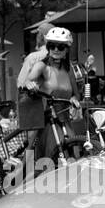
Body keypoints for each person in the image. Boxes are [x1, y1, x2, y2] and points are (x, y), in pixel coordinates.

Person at [18, 25, 80, 162]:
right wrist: (29, 83)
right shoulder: (42, 66)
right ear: (48, 47)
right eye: (52, 46)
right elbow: (29, 79)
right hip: (45, 121)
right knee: (33, 162)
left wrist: (75, 100)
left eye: (61, 47)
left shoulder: (69, 69)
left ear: (67, 49)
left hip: (65, 121)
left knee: (72, 157)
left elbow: (75, 94)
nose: (56, 50)